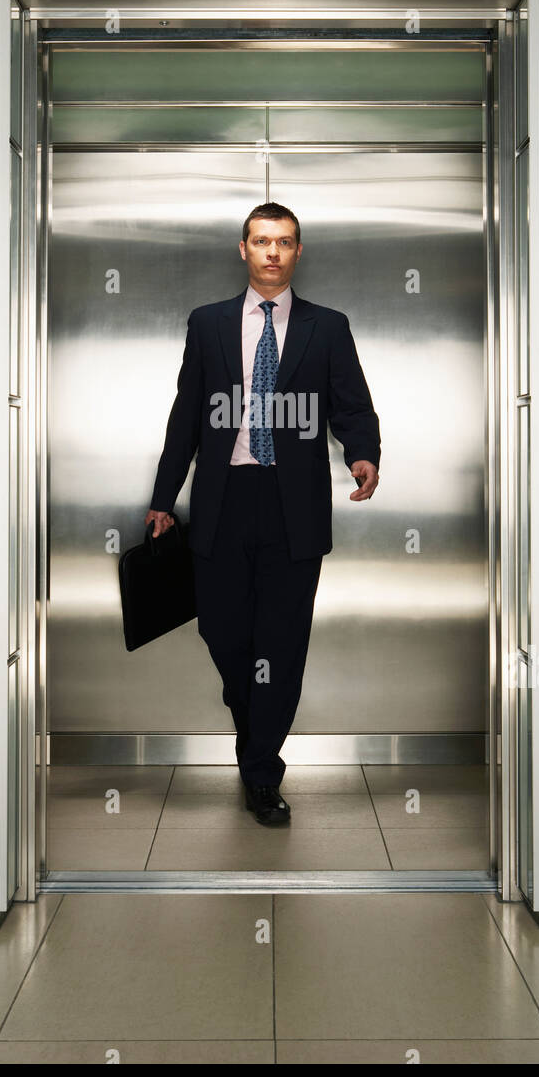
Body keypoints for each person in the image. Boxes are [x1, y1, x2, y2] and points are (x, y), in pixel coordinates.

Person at [145, 203, 380, 825]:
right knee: (222, 632)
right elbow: (187, 415)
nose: (272, 252)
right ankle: (255, 733)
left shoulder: (328, 327)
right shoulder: (209, 324)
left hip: (293, 508)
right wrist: (163, 499)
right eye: (261, 241)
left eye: (284, 242)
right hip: (224, 502)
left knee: (280, 642)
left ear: (298, 252)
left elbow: (352, 405)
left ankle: (262, 775)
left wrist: (363, 456)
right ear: (242, 249)